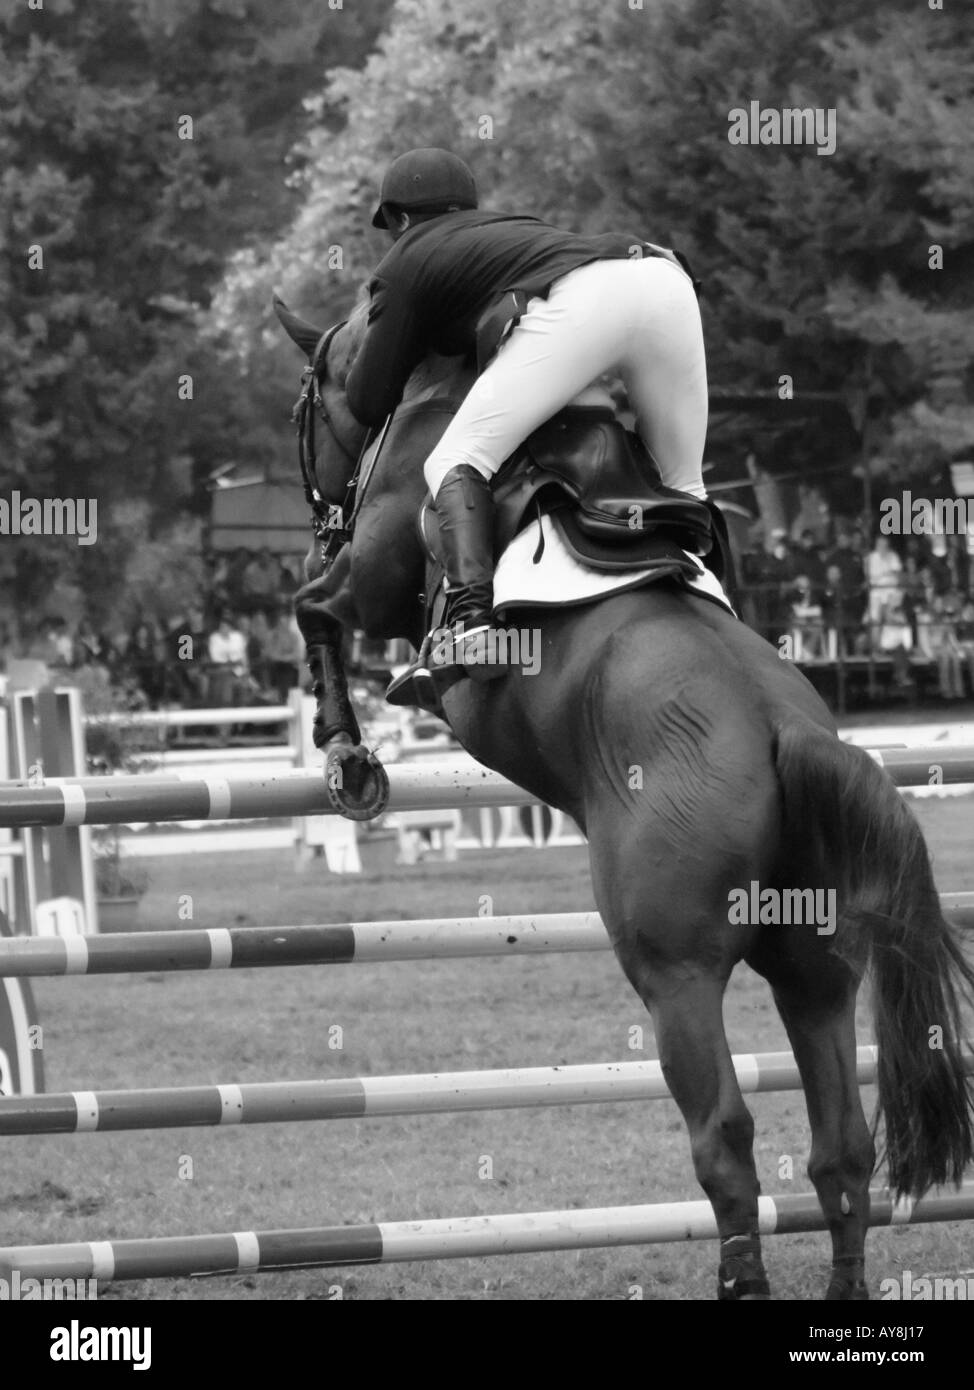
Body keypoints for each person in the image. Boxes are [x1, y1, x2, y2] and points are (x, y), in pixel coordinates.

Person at [344, 147, 710, 685]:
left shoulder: (405, 257)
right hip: (664, 279)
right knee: (685, 484)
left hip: (589, 301)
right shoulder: (516, 229)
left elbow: (369, 402)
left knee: (455, 458)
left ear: (398, 219)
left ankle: (471, 624)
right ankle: (719, 617)